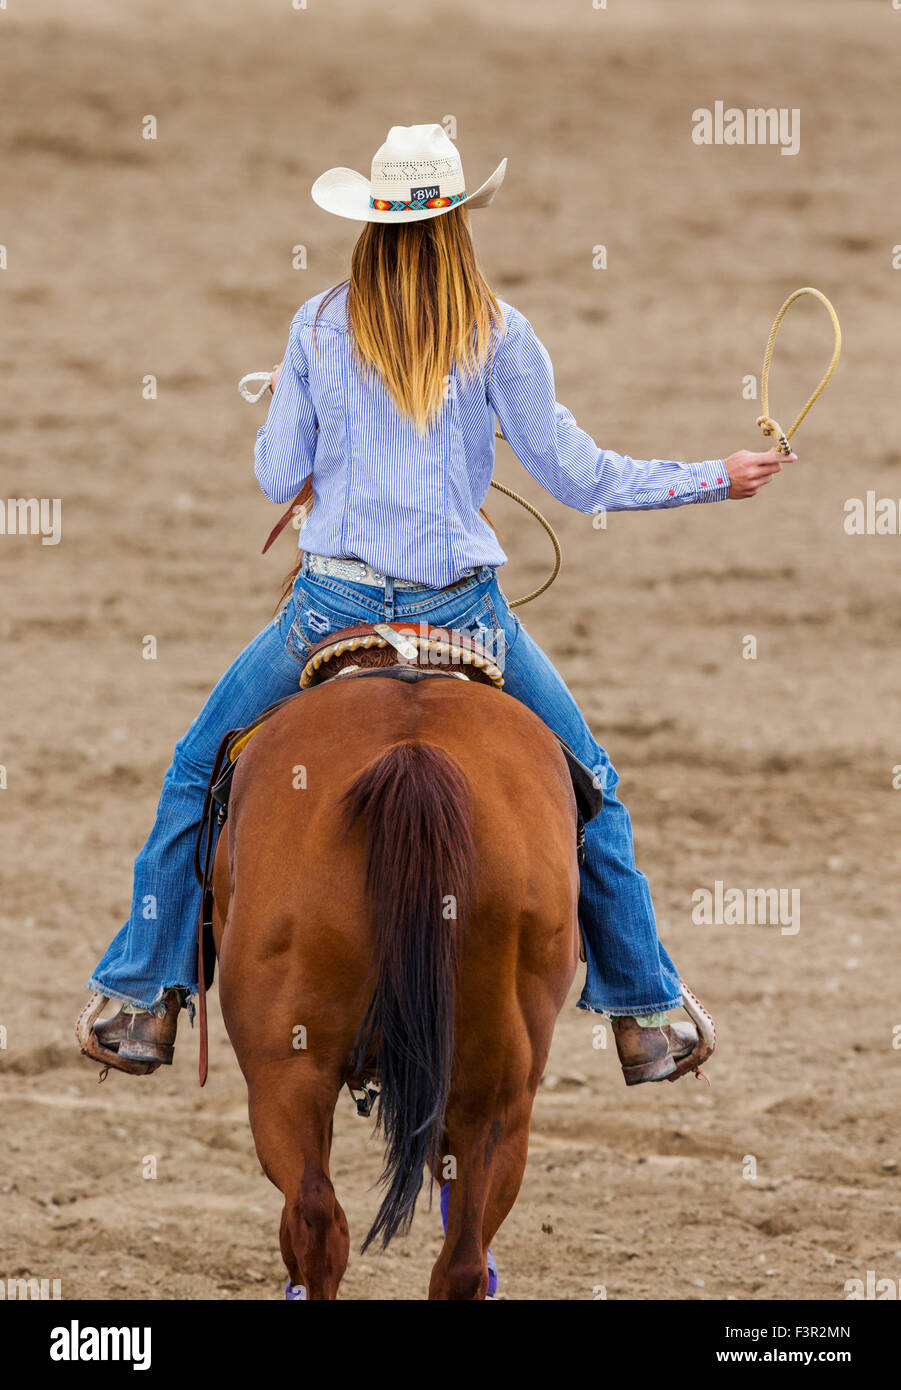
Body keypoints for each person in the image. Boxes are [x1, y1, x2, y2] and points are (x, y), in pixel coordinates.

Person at [84, 123, 791, 1082]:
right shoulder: (501, 333)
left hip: (327, 611)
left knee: (194, 773)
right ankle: (643, 1007)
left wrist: (305, 426)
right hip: (466, 616)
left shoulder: (318, 325)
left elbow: (273, 472)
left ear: (369, 225)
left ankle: (143, 996)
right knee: (592, 791)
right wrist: (715, 476)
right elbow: (579, 479)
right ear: (457, 222)